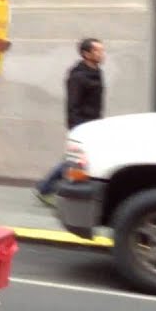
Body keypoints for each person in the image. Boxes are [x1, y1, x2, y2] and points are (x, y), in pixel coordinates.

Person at [35, 37, 105, 205]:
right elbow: (72, 104)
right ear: (86, 54)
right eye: (98, 51)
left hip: (94, 123)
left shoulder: (97, 72)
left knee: (78, 160)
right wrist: (76, 127)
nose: (102, 54)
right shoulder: (78, 76)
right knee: (76, 160)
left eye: (102, 50)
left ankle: (51, 189)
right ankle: (48, 190)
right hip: (81, 124)